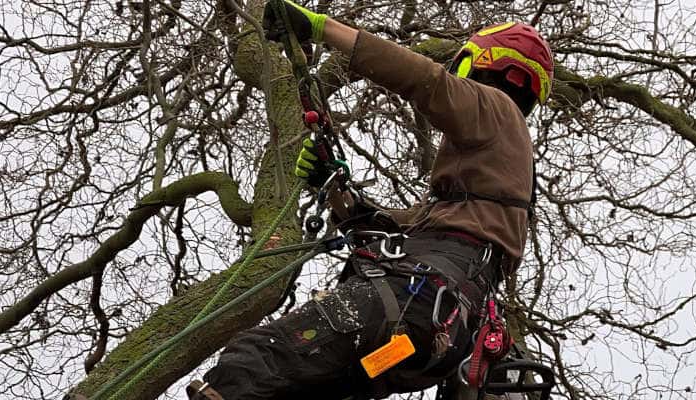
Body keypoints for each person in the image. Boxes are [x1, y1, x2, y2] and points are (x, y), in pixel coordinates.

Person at [188, 1, 553, 399]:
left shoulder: (496, 108)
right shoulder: (490, 196)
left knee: (253, 363)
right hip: (425, 337)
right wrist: (333, 186)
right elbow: (389, 230)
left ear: (479, 65)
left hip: (411, 301)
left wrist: (321, 28)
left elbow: (426, 80)